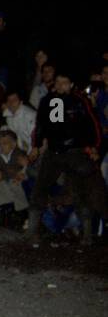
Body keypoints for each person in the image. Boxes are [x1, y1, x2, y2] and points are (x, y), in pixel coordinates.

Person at [27, 73, 106, 240]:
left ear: (71, 84)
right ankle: (32, 229)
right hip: (53, 152)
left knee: (80, 190)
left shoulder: (80, 101)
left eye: (65, 82)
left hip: (75, 152)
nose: (61, 85)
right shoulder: (47, 101)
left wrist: (95, 147)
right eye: (58, 82)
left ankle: (87, 233)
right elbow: (39, 126)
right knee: (39, 186)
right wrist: (35, 145)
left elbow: (93, 125)